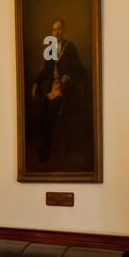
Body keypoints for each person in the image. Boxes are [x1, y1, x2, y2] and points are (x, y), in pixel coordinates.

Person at [31, 19, 88, 163]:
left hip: (66, 89)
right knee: (40, 109)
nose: (57, 32)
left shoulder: (70, 48)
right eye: (54, 30)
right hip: (52, 88)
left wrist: (66, 77)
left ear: (63, 30)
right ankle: (44, 145)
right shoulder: (50, 50)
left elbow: (78, 69)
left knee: (51, 113)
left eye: (59, 29)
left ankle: (46, 150)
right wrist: (36, 83)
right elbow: (45, 71)